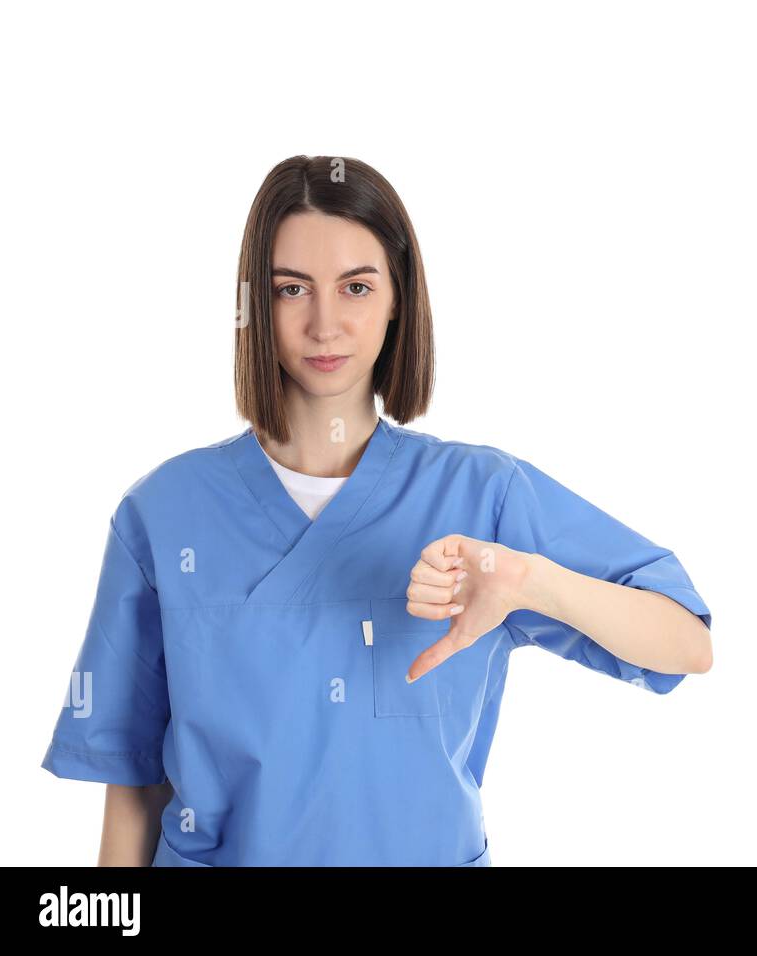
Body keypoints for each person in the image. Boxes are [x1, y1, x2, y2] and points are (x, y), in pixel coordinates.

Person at [40, 155, 714, 866]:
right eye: (291, 288)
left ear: (398, 299)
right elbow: (134, 782)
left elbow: (686, 642)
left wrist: (527, 582)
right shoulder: (164, 512)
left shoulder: (478, 495)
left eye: (356, 287)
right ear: (253, 305)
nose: (325, 324)